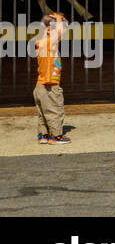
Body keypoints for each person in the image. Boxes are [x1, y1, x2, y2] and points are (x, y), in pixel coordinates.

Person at [34, 12, 69, 145]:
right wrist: (59, 20)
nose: (62, 35)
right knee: (54, 111)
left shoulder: (43, 43)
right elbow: (56, 32)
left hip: (40, 86)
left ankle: (43, 135)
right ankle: (55, 136)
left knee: (43, 113)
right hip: (49, 87)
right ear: (49, 31)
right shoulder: (48, 43)